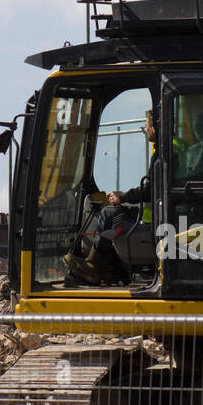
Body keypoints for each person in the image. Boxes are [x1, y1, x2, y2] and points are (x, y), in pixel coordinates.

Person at [63, 110, 158, 285]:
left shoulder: (162, 156)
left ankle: (95, 265)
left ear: (154, 127)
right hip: (156, 217)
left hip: (155, 223)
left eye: (146, 126)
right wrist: (124, 196)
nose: (146, 131)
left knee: (108, 213)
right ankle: (107, 268)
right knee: (113, 213)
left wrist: (123, 197)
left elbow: (150, 190)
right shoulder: (167, 150)